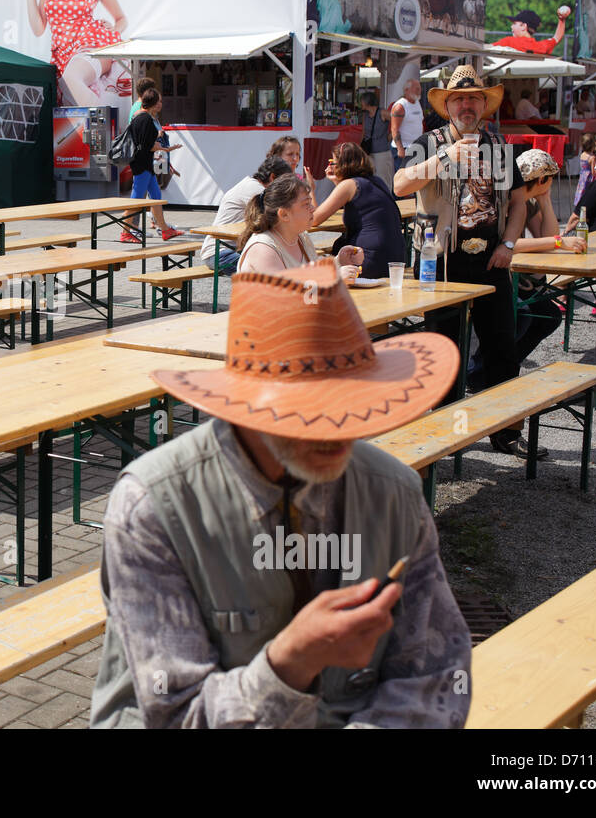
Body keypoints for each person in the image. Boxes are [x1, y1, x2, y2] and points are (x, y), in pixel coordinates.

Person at [90, 257, 470, 729]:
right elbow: (175, 714)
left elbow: (434, 675)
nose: (338, 427)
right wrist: (292, 661)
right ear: (244, 404)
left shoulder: (394, 493)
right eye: (308, 411)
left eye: (352, 403)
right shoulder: (154, 506)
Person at [393, 65, 532, 453]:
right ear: (448, 105)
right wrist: (443, 159)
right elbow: (400, 186)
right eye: (459, 99)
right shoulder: (429, 141)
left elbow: (520, 202)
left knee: (502, 346)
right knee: (443, 348)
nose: (467, 105)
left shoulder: (498, 146)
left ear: (484, 104)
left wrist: (508, 244)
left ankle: (506, 432)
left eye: (474, 98)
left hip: (490, 260)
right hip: (440, 261)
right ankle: (444, 435)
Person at [467, 149, 586, 396]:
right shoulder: (504, 201)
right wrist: (558, 242)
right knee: (522, 313)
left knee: (549, 314)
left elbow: (545, 237)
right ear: (543, 180)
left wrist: (545, 201)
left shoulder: (529, 202)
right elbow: (508, 243)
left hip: (509, 272)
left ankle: (504, 367)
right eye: (550, 178)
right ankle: (479, 372)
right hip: (486, 271)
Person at [238, 174, 362, 279]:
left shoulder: (301, 237)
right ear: (284, 214)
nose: (313, 208)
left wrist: (339, 261)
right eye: (306, 204)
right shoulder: (263, 249)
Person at [312, 142, 406, 279]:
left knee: (323, 263)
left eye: (333, 162)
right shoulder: (377, 181)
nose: (331, 166)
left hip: (368, 260)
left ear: (342, 164)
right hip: (395, 258)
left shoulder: (349, 185)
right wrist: (337, 182)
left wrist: (311, 190)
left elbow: (314, 219)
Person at [199, 155, 292, 273]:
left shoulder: (251, 184)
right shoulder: (256, 190)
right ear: (273, 177)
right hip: (219, 253)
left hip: (229, 250)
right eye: (283, 185)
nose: (284, 190)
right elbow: (278, 219)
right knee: (268, 271)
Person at [119, 89, 182, 242]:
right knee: (137, 199)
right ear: (153, 103)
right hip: (142, 165)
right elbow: (147, 145)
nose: (161, 104)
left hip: (144, 164)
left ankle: (165, 230)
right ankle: (125, 233)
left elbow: (143, 143)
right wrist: (163, 146)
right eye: (159, 101)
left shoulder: (139, 116)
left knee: (155, 196)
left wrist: (163, 147)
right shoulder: (145, 119)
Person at [491, 7, 570, 55]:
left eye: (515, 24)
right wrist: (562, 19)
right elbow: (557, 38)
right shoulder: (541, 46)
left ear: (524, 26)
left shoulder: (509, 42)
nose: (511, 26)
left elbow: (485, 49)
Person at [389, 79, 424, 170]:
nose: (419, 91)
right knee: (402, 178)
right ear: (406, 90)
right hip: (404, 148)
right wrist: (400, 149)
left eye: (419, 88)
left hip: (416, 148)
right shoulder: (400, 106)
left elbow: (419, 123)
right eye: (416, 88)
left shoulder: (417, 103)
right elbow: (394, 129)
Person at [359, 90, 394, 182]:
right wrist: (360, 148)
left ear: (367, 102)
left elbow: (398, 121)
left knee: (384, 178)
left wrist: (391, 135)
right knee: (371, 177)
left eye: (362, 101)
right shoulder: (365, 115)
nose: (360, 103)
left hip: (382, 151)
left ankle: (386, 196)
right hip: (368, 151)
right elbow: (363, 132)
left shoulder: (382, 113)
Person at [574, 133, 596, 208]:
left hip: (582, 178)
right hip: (588, 179)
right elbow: (594, 172)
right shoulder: (592, 158)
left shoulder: (582, 154)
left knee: (581, 192)